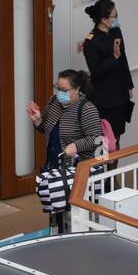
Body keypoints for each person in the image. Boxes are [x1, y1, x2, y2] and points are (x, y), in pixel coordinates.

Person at [26, 70, 103, 232]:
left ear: (77, 89)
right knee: (57, 207)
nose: (59, 93)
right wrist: (38, 120)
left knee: (74, 213)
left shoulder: (87, 108)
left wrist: (75, 146)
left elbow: (96, 139)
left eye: (64, 90)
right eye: (57, 88)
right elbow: (45, 128)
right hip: (55, 167)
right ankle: (59, 234)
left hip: (76, 171)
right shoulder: (53, 102)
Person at [80, 0, 133, 148]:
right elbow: (96, 72)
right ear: (103, 19)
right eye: (114, 16)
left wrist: (128, 86)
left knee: (115, 138)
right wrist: (113, 58)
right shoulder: (91, 41)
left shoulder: (116, 31)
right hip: (103, 98)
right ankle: (100, 169)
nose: (117, 19)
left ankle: (113, 171)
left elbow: (124, 60)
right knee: (102, 139)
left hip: (119, 95)